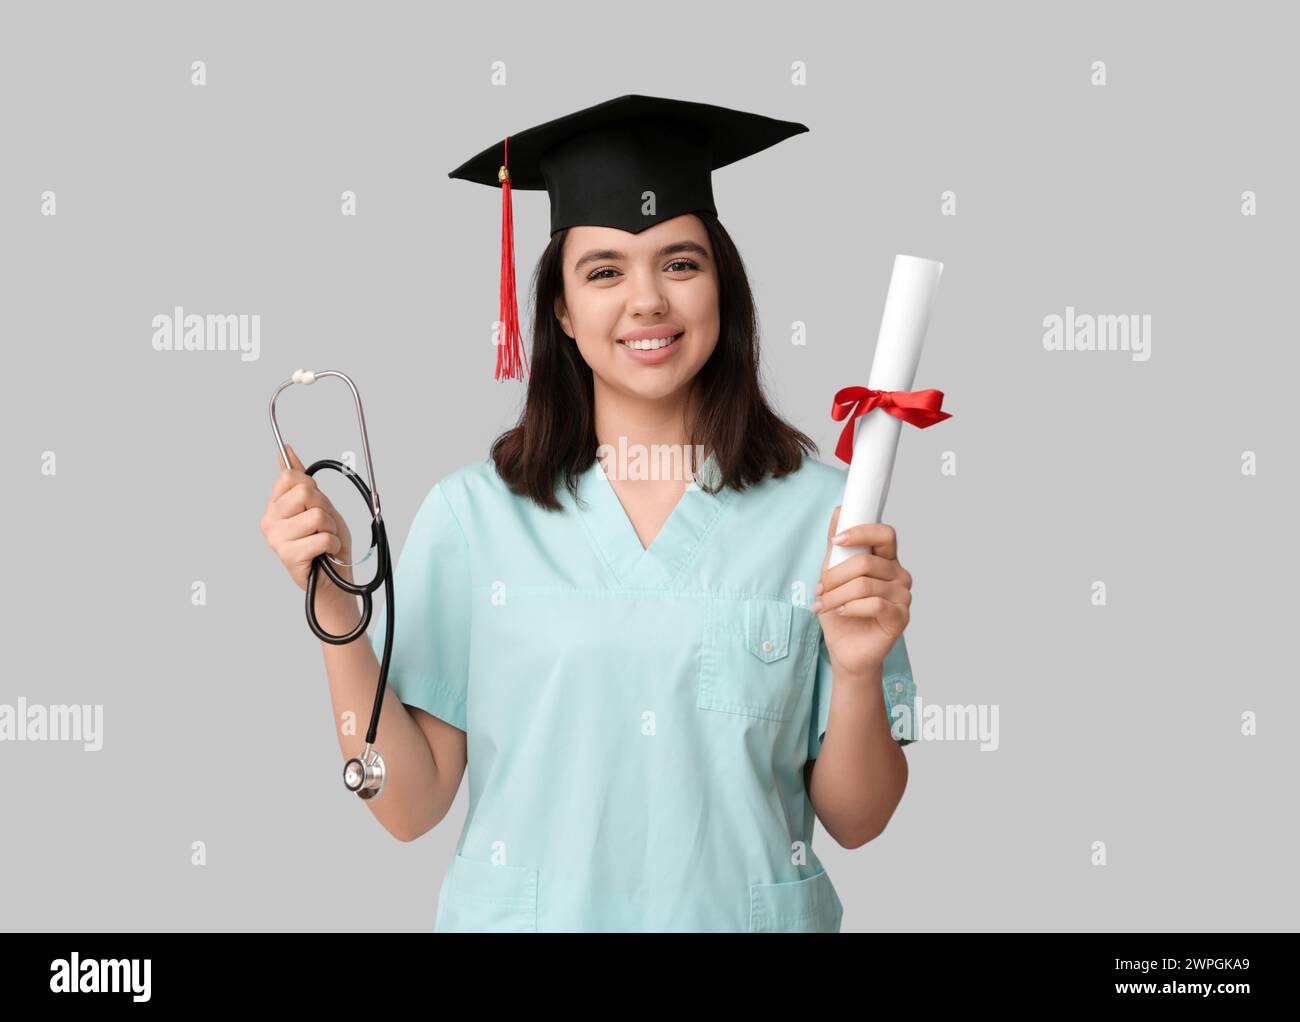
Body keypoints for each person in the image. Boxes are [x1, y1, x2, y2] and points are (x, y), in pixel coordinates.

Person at [260, 94, 920, 932]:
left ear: (723, 286)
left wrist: (860, 670)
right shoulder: (474, 518)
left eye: (680, 263)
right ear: (563, 313)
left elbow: (859, 822)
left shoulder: (824, 515)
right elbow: (407, 804)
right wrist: (331, 595)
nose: (647, 300)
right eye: (604, 271)